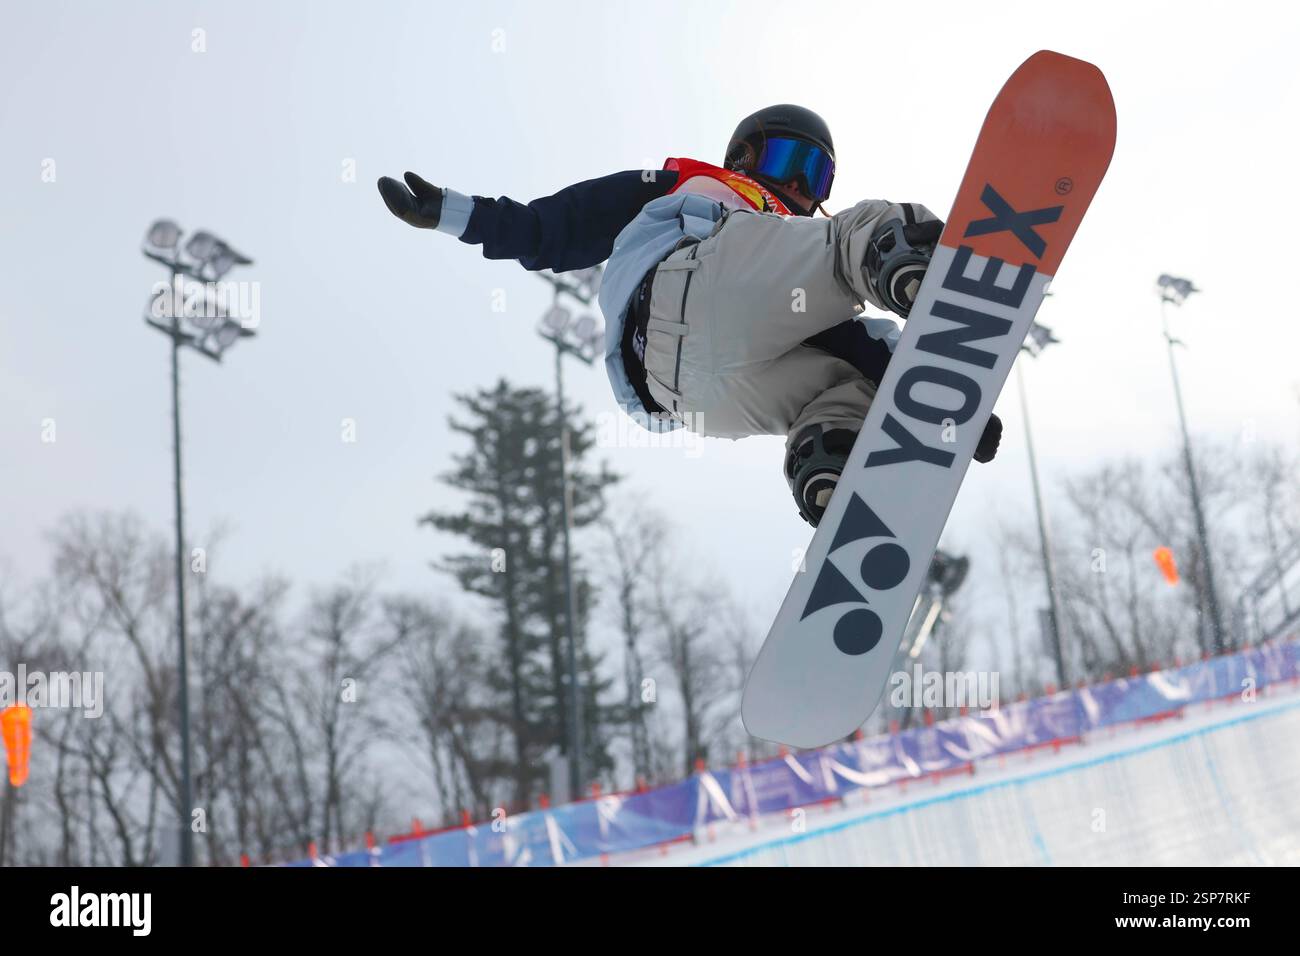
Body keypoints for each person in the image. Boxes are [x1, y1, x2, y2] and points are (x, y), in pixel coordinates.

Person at [378, 104, 1001, 526]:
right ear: (746, 158)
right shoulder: (691, 185)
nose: (804, 191)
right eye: (793, 164)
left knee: (856, 380)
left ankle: (831, 460)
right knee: (860, 232)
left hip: (689, 398)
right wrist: (453, 213)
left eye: (819, 176)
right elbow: (552, 230)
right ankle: (905, 261)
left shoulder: (790, 258)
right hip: (691, 285)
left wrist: (946, 405)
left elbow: (858, 346)